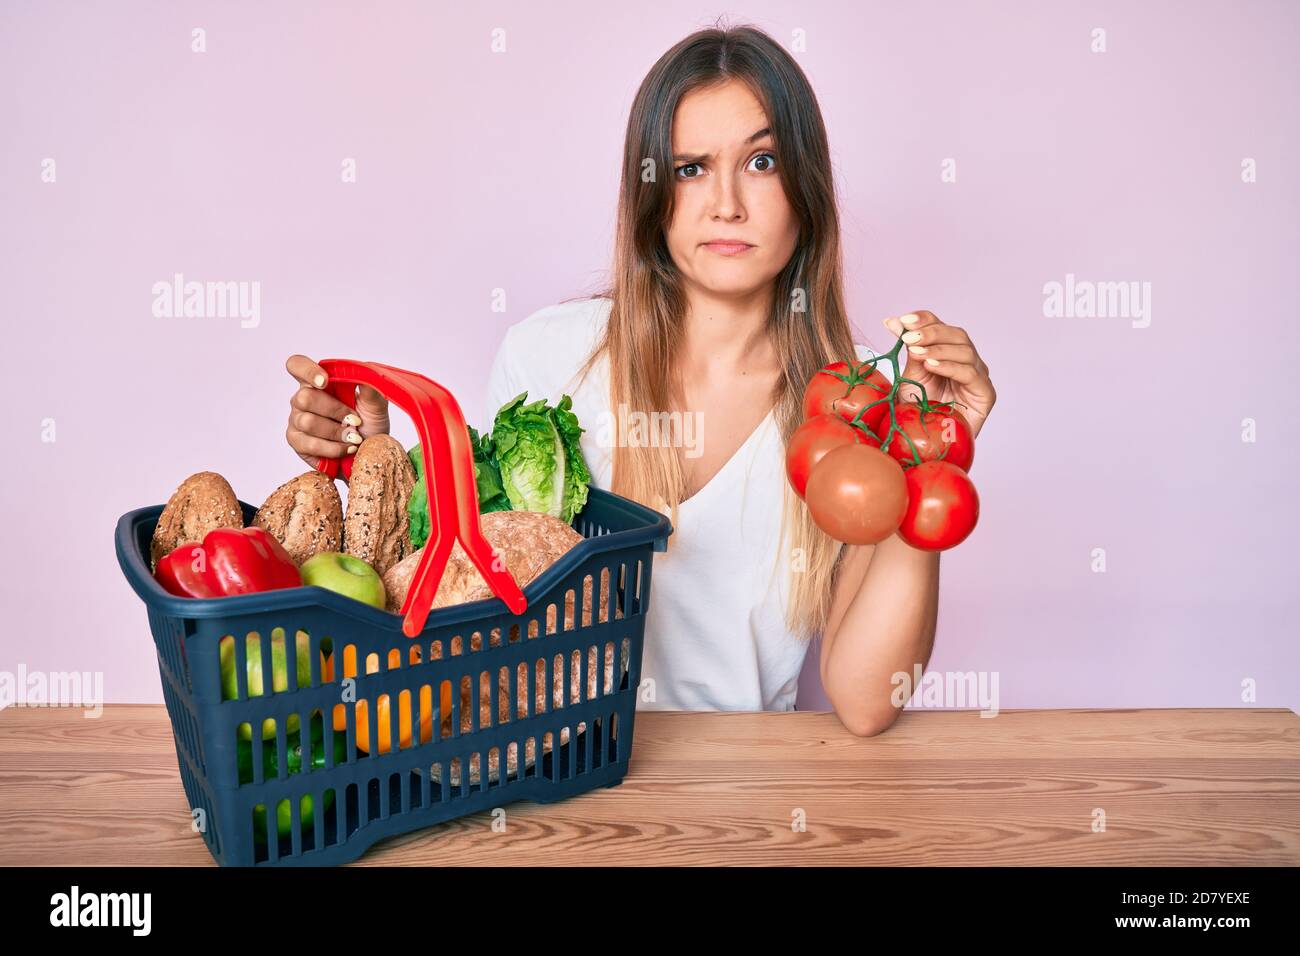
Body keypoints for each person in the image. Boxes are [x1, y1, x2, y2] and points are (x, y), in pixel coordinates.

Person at [281, 23, 996, 736]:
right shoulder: (548, 356)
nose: (726, 204)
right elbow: (470, 601)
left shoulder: (857, 405)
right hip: (548, 773)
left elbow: (866, 701)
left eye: (762, 162)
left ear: (805, 189)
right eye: (689, 168)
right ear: (652, 196)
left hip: (746, 800)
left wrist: (928, 459)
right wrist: (375, 465)